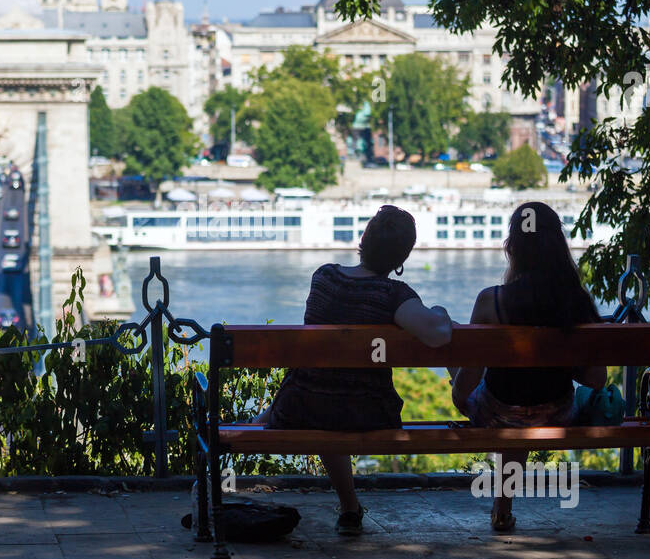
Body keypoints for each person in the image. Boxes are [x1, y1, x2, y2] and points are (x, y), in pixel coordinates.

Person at [255, 205, 455, 535]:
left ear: (364, 239)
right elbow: (439, 334)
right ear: (401, 258)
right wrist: (439, 310)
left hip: (303, 408)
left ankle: (350, 508)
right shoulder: (394, 296)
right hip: (367, 413)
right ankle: (349, 509)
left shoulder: (324, 277)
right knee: (339, 398)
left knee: (326, 393)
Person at [450, 201, 606, 532]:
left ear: (512, 248)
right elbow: (596, 378)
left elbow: (466, 389)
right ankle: (501, 509)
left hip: (498, 413)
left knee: (500, 399)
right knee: (522, 405)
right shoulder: (577, 302)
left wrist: (458, 383)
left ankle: (502, 507)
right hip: (557, 414)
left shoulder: (490, 301)